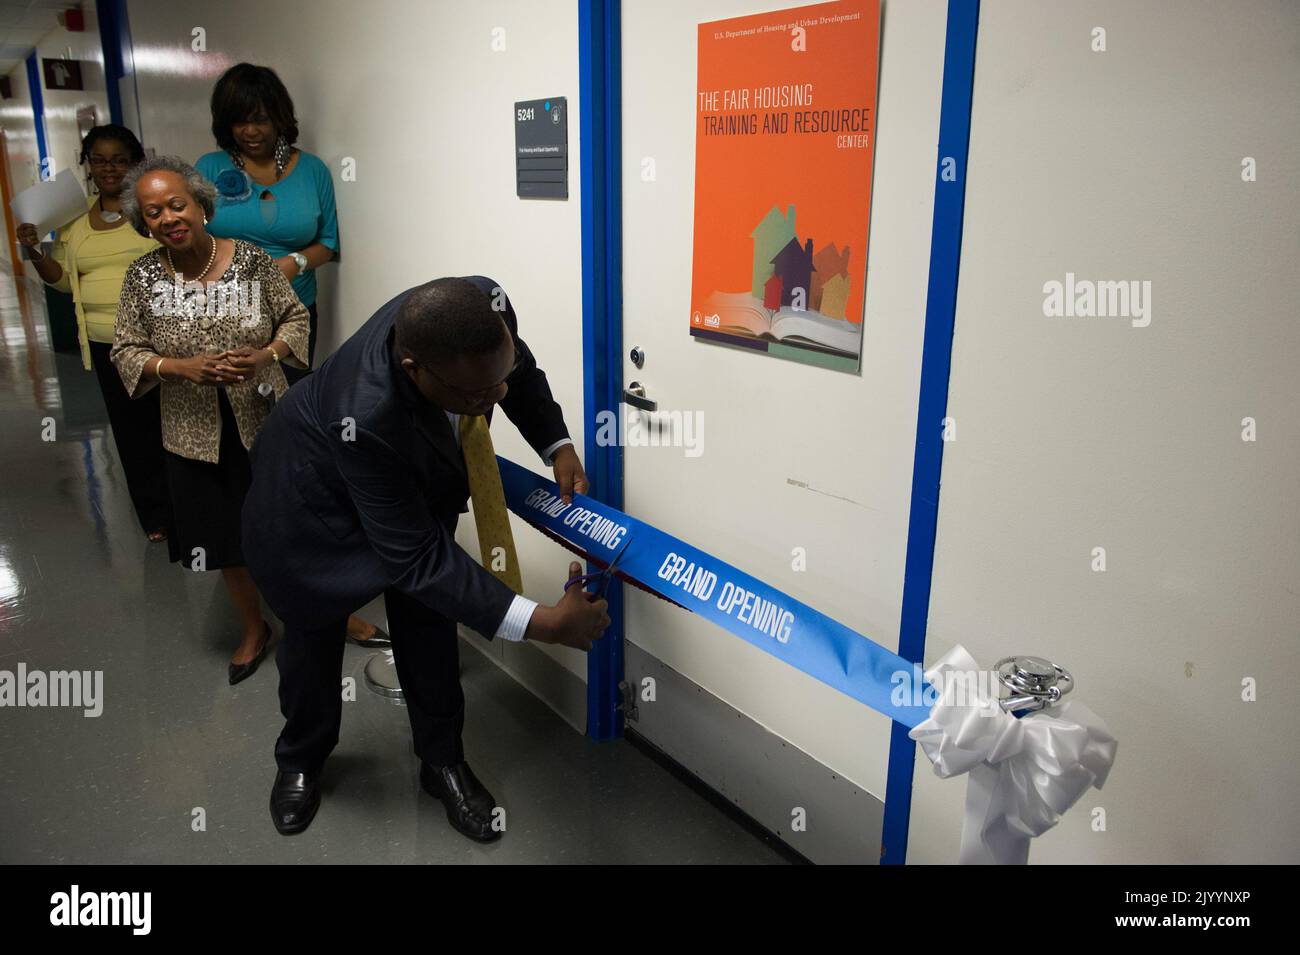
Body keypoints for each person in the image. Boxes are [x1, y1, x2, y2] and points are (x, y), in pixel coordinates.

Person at [242, 276, 609, 841]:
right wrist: (544, 624)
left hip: (404, 485)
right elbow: (414, 557)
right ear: (414, 370)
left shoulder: (482, 308)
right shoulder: (366, 412)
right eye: (474, 397)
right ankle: (301, 757)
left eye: (497, 383)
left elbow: (517, 371)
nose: (494, 401)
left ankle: (442, 763)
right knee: (312, 640)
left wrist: (556, 444)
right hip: (314, 507)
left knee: (430, 631)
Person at [196, 63, 384, 649]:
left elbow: (328, 243)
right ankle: (255, 621)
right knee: (234, 467)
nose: (252, 131)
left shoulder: (314, 172)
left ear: (281, 115)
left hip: (291, 322)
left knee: (295, 461)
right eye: (240, 120)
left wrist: (288, 266)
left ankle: (324, 601)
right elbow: (185, 240)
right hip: (219, 323)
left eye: (262, 118)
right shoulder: (207, 170)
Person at [110, 155, 310, 684]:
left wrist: (266, 355)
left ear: (201, 204)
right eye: (153, 213)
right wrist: (177, 368)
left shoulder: (250, 261)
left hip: (265, 415)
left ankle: (322, 614)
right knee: (223, 536)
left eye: (177, 204)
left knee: (290, 523)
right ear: (143, 223)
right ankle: (253, 627)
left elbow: (295, 316)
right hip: (192, 431)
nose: (168, 218)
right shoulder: (142, 276)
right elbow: (126, 351)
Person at [17, 125, 170, 541]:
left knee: (174, 423)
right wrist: (34, 252)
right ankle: (155, 516)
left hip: (165, 340)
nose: (108, 168)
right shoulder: (74, 220)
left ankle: (190, 507)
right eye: (99, 160)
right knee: (131, 429)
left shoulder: (150, 208)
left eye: (119, 159)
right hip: (108, 346)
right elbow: (64, 280)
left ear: (135, 162)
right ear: (88, 165)